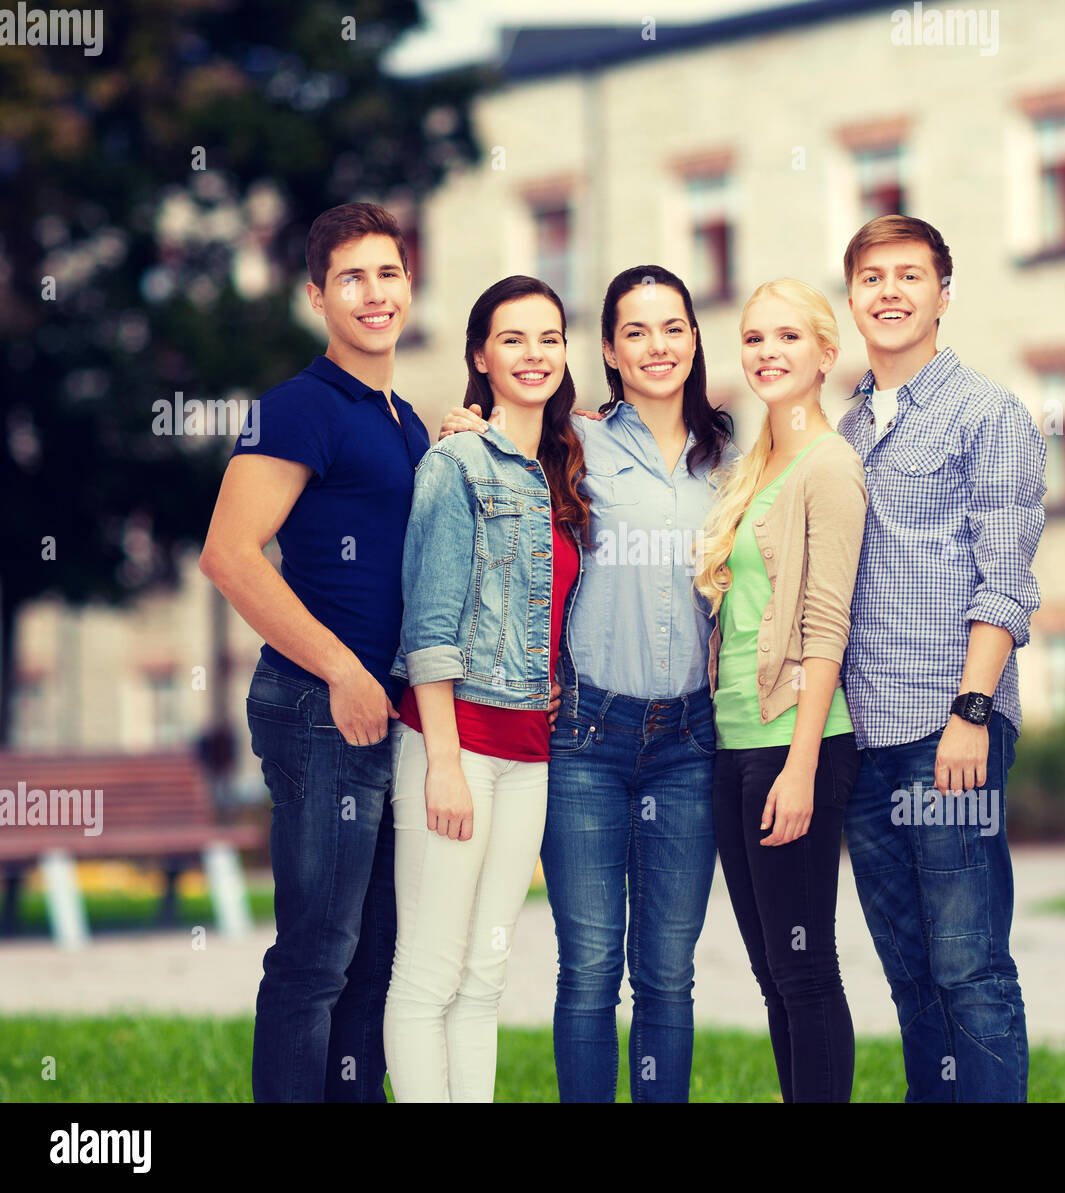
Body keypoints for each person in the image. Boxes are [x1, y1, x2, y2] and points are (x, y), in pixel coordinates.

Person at [440, 264, 740, 1102]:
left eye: (672, 327)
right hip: (585, 738)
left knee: (668, 975)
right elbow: (488, 456)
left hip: (691, 740)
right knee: (590, 969)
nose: (656, 346)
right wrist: (462, 426)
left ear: (693, 338)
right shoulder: (569, 439)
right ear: (606, 349)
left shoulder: (731, 460)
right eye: (634, 331)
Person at [198, 201, 431, 1102]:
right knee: (315, 960)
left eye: (387, 273)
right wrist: (341, 669)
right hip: (317, 708)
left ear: (408, 283)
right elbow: (228, 553)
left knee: (373, 959)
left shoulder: (402, 418)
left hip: (381, 711)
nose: (373, 294)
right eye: (351, 278)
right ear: (315, 296)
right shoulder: (296, 408)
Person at [836, 214, 1046, 1102]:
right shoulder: (842, 430)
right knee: (912, 974)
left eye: (909, 276)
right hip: (863, 739)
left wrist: (970, 712)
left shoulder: (987, 415)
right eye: (872, 277)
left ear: (943, 295)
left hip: (946, 727)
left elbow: (1006, 581)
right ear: (852, 298)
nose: (889, 291)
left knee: (969, 969)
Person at [382, 276, 589, 1102]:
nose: (534, 354)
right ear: (480, 355)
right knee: (429, 967)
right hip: (455, 744)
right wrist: (440, 761)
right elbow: (428, 625)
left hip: (529, 754)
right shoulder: (455, 462)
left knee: (486, 970)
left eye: (549, 337)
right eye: (513, 338)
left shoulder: (562, 474)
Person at [695, 279, 866, 1103]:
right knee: (771, 970)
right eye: (756, 338)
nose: (768, 352)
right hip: (734, 747)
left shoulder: (830, 467)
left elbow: (828, 625)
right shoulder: (756, 464)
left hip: (795, 744)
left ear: (825, 355)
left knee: (804, 969)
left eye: (788, 338)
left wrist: (800, 766)